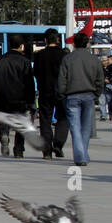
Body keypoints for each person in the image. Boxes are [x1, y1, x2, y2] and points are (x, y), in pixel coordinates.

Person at [58, 32, 104, 167]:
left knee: (75, 127)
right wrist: (97, 94)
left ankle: (80, 156)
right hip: (89, 95)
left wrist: (62, 94)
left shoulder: (68, 59)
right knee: (85, 128)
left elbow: (62, 79)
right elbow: (100, 79)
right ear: (87, 43)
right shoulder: (94, 59)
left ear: (74, 44)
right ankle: (83, 154)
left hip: (72, 96)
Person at [0, 37, 35, 158]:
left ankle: (4, 134)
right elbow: (29, 82)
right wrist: (31, 100)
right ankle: (18, 150)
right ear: (21, 46)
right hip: (20, 97)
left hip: (2, 96)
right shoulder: (24, 61)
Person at [33, 28, 68, 159]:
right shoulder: (64, 55)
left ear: (45, 40)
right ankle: (58, 144)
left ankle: (47, 150)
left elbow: (35, 72)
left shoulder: (39, 55)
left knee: (45, 120)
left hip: (45, 91)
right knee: (63, 118)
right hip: (61, 92)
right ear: (58, 40)